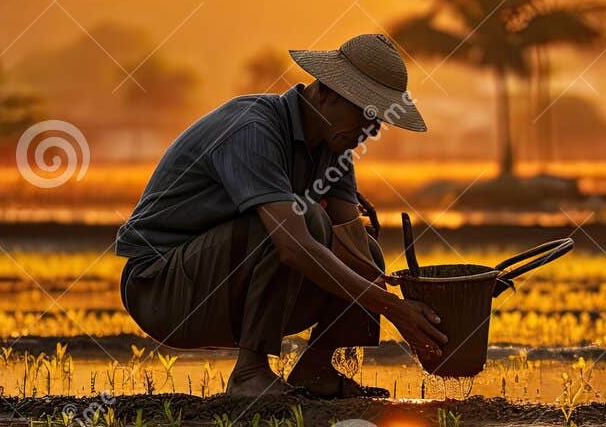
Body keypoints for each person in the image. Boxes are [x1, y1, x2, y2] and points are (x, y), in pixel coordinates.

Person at [114, 33, 446, 397]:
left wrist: (426, 309)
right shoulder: (252, 129)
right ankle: (249, 373)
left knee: (367, 250)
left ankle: (316, 368)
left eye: (379, 120)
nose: (373, 129)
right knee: (303, 224)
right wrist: (394, 309)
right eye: (367, 113)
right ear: (327, 92)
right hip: (161, 288)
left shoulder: (334, 148)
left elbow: (352, 246)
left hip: (219, 282)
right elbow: (292, 246)